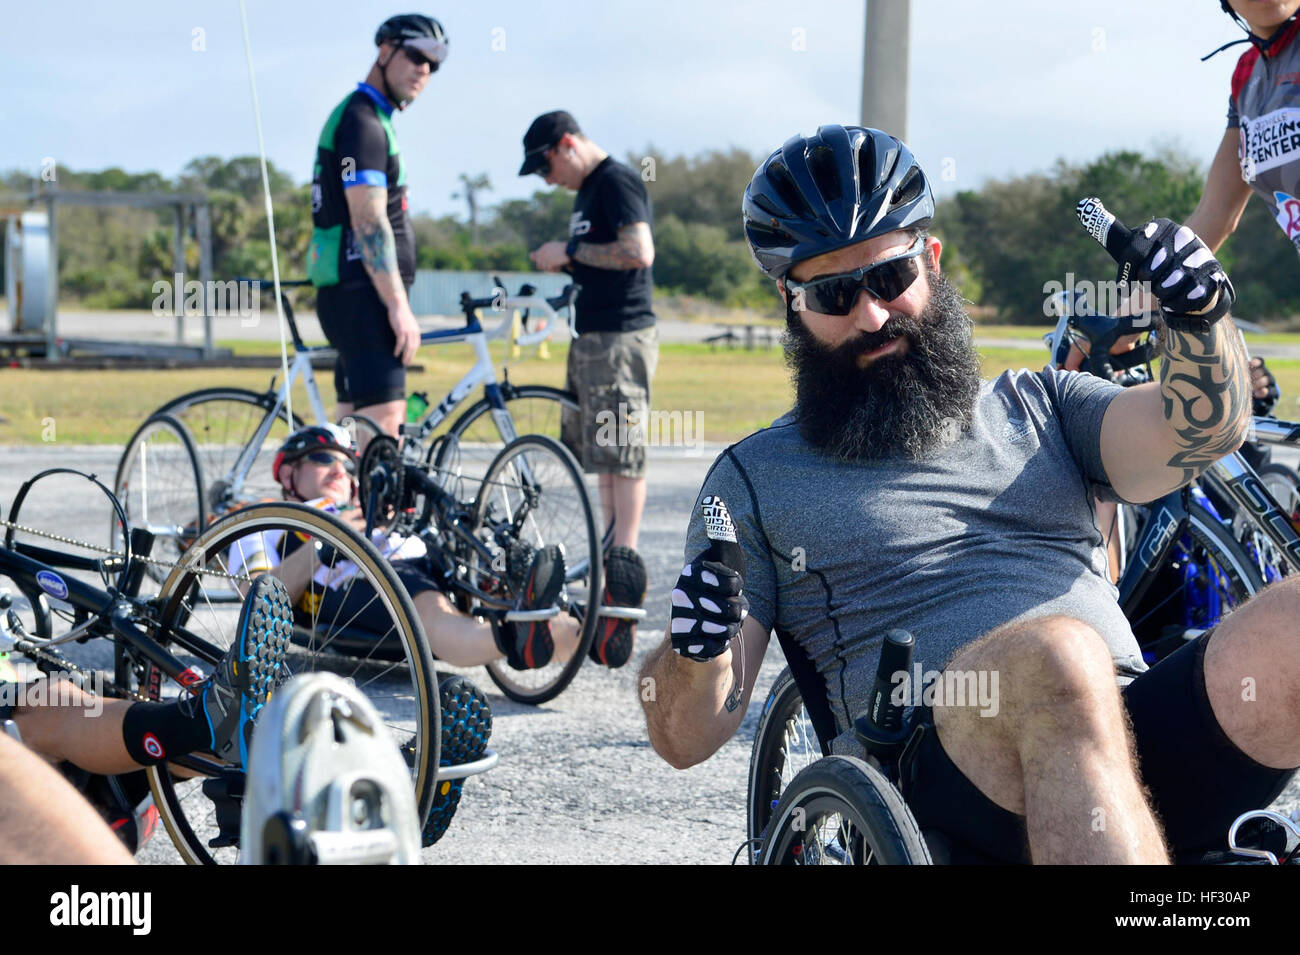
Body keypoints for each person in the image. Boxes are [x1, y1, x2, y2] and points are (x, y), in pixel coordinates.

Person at [640, 125, 1299, 864]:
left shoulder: (1044, 406)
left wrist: (1202, 317)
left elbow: (1199, 432)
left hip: (1128, 743)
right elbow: (686, 736)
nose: (872, 315)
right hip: (938, 781)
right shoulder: (755, 479)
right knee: (1058, 659)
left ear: (933, 262)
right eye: (833, 293)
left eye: (890, 278)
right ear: (791, 303)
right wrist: (692, 657)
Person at [246, 424, 576, 672]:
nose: (338, 469)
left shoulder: (368, 506)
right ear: (288, 472)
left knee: (492, 566)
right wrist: (332, 535)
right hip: (361, 583)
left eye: (348, 466)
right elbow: (255, 598)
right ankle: (517, 634)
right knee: (431, 610)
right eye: (322, 458)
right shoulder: (270, 521)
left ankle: (592, 628)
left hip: (429, 558)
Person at [519, 109, 655, 668]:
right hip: (593, 334)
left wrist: (568, 253)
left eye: (546, 166)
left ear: (567, 144)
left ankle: (622, 565)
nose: (547, 180)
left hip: (620, 338)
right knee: (601, 455)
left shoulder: (616, 181)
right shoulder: (586, 192)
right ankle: (607, 560)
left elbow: (638, 251)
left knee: (621, 454)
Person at [307, 14, 449, 445]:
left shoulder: (367, 118)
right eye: (417, 55)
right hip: (362, 296)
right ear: (384, 50)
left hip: (353, 295)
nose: (425, 69)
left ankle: (336, 511)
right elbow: (367, 220)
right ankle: (367, 516)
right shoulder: (362, 123)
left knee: (352, 442)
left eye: (435, 63)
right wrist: (398, 305)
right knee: (383, 438)